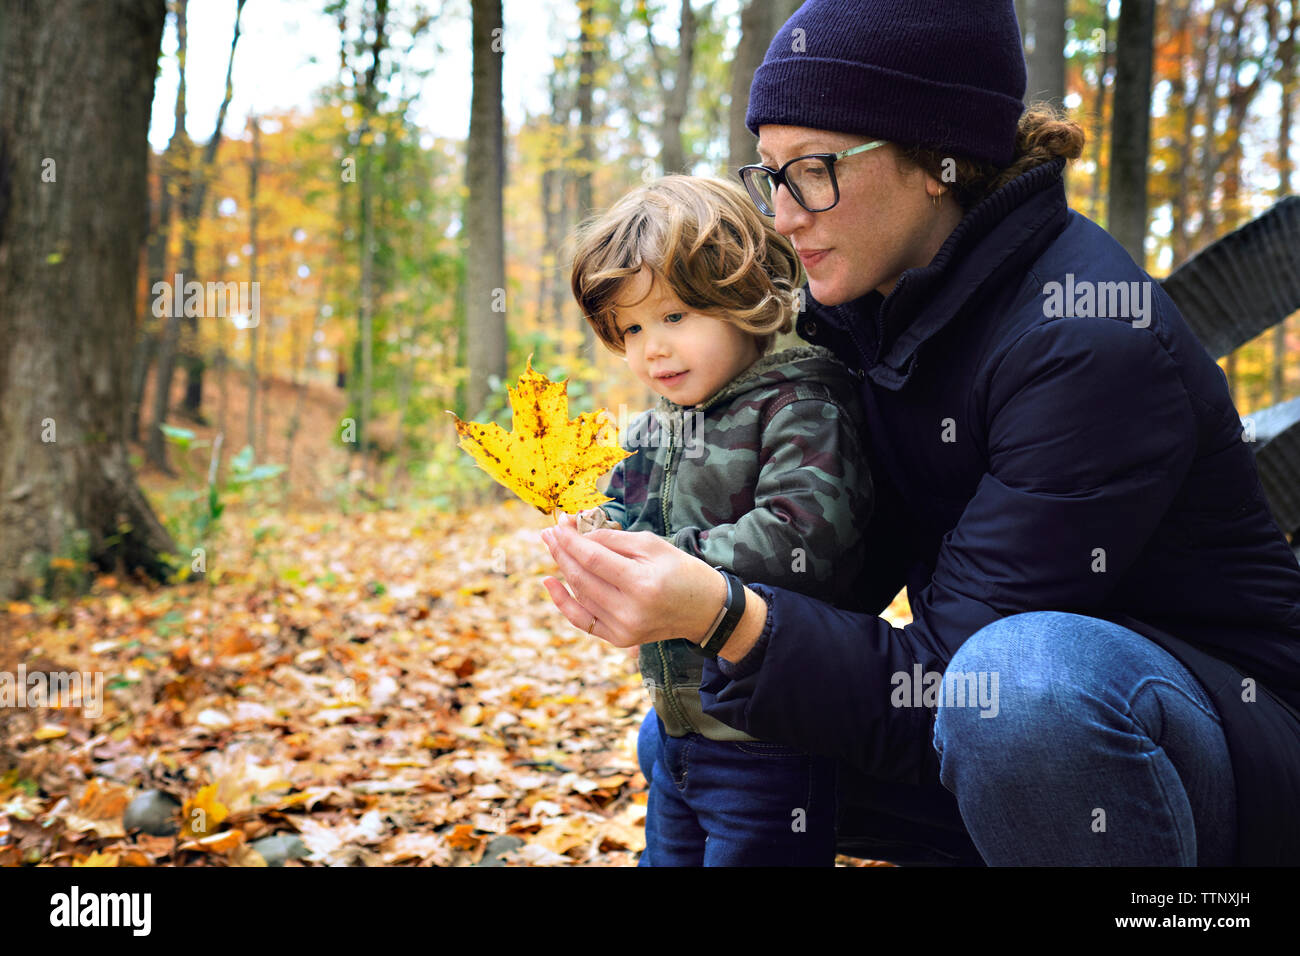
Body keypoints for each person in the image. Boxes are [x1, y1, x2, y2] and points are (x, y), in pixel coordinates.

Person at [542, 0, 1300, 866]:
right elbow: (836, 578)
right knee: (696, 736)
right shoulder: (872, 312)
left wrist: (722, 613)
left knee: (1021, 691)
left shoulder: (1083, 342)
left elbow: (956, 682)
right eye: (770, 176)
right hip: (1016, 735)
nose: (784, 216)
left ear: (936, 160)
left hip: (1225, 756)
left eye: (813, 171)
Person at [557, 175, 873, 865]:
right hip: (678, 725)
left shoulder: (800, 405)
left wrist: (673, 559)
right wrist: (594, 535)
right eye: (632, 329)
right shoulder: (657, 427)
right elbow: (627, 508)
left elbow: (804, 539)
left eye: (675, 318)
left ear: (747, 297)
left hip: (770, 737)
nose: (652, 349)